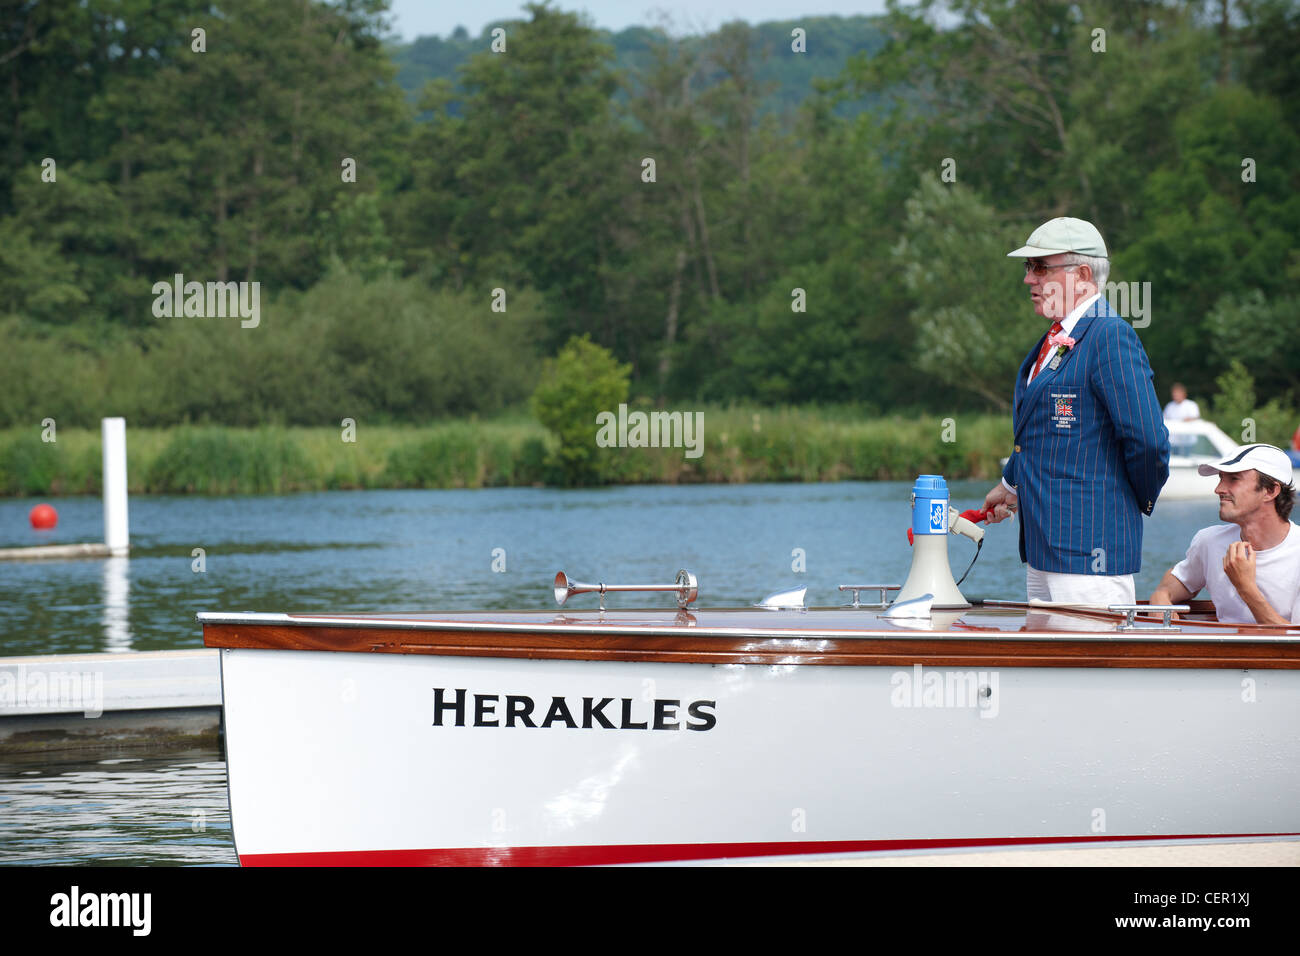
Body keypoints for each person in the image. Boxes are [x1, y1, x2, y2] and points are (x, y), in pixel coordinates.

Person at [982, 217, 1170, 605]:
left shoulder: (1109, 334)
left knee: (1091, 666)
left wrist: (1119, 504)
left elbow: (1148, 441)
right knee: (1047, 666)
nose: (1028, 280)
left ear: (1082, 274)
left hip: (1090, 554)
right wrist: (1011, 485)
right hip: (1042, 547)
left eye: (1039, 267)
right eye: (1028, 268)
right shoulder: (1056, 337)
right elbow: (1043, 436)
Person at [1149, 444, 1299, 626]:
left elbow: (1293, 645)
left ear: (1270, 491)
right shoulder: (1209, 541)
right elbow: (1167, 588)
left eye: (1234, 479)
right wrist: (1160, 602)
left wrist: (1245, 587)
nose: (1218, 489)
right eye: (1221, 479)